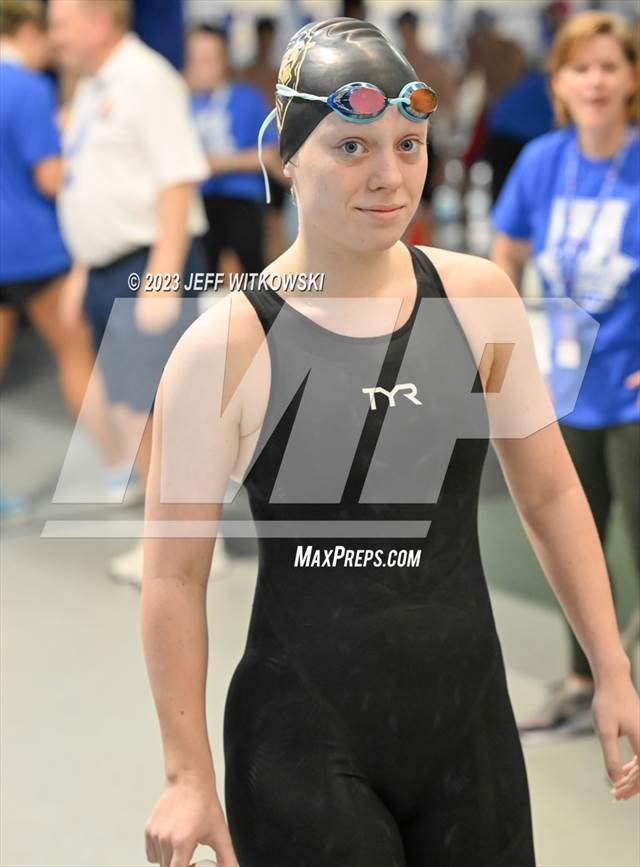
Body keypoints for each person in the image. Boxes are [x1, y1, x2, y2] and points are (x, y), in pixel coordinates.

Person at [142, 18, 640, 867]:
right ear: (288, 158)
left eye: (409, 145)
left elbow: (552, 491)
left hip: (468, 727)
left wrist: (612, 665)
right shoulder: (227, 345)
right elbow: (173, 573)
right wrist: (188, 772)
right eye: (351, 147)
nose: (389, 175)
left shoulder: (478, 296)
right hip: (302, 738)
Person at [491, 10, 640, 742]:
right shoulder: (542, 161)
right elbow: (505, 252)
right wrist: (508, 343)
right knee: (572, 544)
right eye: (582, 68)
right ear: (559, 82)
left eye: (611, 66)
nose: (596, 81)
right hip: (563, 386)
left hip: (633, 392)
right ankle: (585, 683)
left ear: (633, 78)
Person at [47, 0, 215, 584]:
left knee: (155, 412)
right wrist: (79, 271)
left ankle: (188, 550)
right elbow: (89, 183)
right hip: (104, 267)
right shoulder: (95, 86)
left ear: (99, 22)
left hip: (148, 266)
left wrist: (163, 277)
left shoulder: (148, 79)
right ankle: (165, 535)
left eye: (62, 24)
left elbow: (178, 178)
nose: (54, 36)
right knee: (126, 405)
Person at [0, 0, 117, 514]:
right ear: (28, 28)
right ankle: (121, 466)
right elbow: (49, 178)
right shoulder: (26, 86)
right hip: (29, 249)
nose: (56, 41)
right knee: (76, 354)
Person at [185, 24, 278, 277]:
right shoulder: (181, 100)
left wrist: (220, 163)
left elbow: (270, 153)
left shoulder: (246, 98)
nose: (201, 66)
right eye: (194, 59)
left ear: (222, 61)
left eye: (208, 59)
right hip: (196, 200)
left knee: (252, 272)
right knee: (199, 277)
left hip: (240, 196)